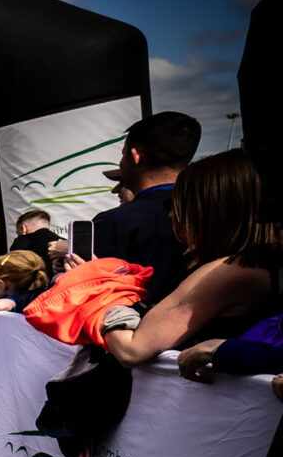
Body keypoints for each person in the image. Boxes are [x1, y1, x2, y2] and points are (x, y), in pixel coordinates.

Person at [104, 149, 282, 367]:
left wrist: (99, 290)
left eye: (179, 206)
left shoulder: (233, 270)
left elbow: (131, 350)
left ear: (213, 210)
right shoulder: (232, 262)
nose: (171, 216)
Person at [93, 111, 201, 305]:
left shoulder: (112, 223)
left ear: (135, 157)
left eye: (122, 155)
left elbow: (93, 295)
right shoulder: (212, 211)